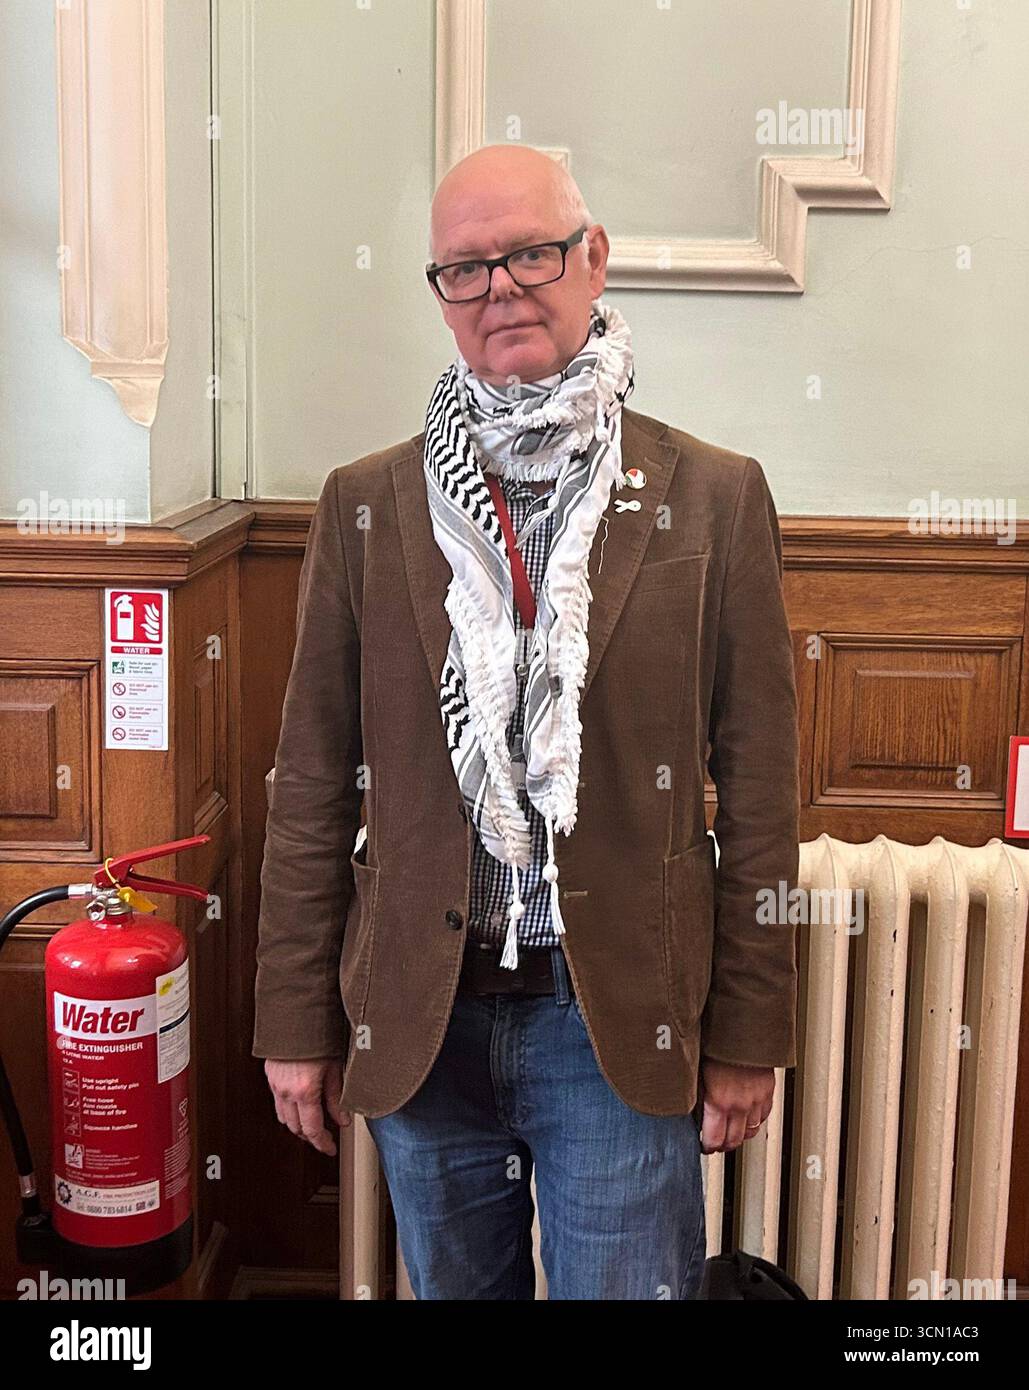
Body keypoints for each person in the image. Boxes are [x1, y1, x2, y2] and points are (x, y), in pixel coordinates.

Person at [252, 144, 800, 1299]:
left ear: (591, 260)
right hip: (419, 1016)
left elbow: (758, 789)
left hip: (614, 1023)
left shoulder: (713, 494)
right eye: (465, 268)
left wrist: (749, 1032)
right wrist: (294, 1020)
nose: (500, 286)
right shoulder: (366, 506)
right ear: (441, 297)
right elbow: (308, 781)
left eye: (531, 254)